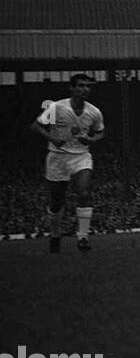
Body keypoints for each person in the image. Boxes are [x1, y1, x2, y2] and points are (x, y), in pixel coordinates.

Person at [31, 73, 104, 253]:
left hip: (80, 156)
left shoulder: (94, 112)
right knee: (57, 201)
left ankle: (83, 237)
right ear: (71, 88)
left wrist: (91, 140)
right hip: (57, 156)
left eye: (88, 86)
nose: (85, 89)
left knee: (84, 193)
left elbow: (100, 132)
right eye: (80, 85)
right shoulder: (57, 107)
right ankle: (55, 234)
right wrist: (51, 138)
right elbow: (36, 126)